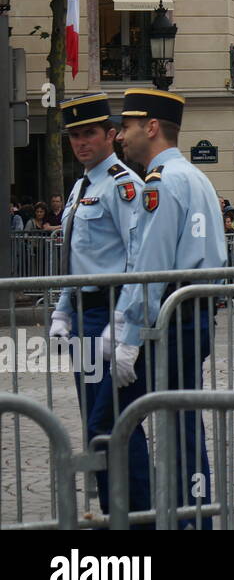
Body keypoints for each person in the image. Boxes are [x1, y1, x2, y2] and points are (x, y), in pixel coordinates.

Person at [119, 88, 227, 529]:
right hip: (194, 310)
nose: (120, 136)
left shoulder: (161, 182)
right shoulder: (195, 177)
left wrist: (127, 338)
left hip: (172, 316)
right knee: (182, 420)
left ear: (151, 127)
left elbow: (151, 266)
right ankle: (190, 514)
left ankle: (158, 515)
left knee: (123, 413)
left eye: (126, 127)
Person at [46, 94, 150, 522]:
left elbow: (138, 256)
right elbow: (76, 256)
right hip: (85, 316)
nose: (81, 142)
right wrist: (62, 309)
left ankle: (138, 513)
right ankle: (115, 511)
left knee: (115, 424)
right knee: (97, 423)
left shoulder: (124, 185)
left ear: (110, 135)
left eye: (89, 132)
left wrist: (124, 326)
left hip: (110, 313)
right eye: (74, 135)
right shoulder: (82, 185)